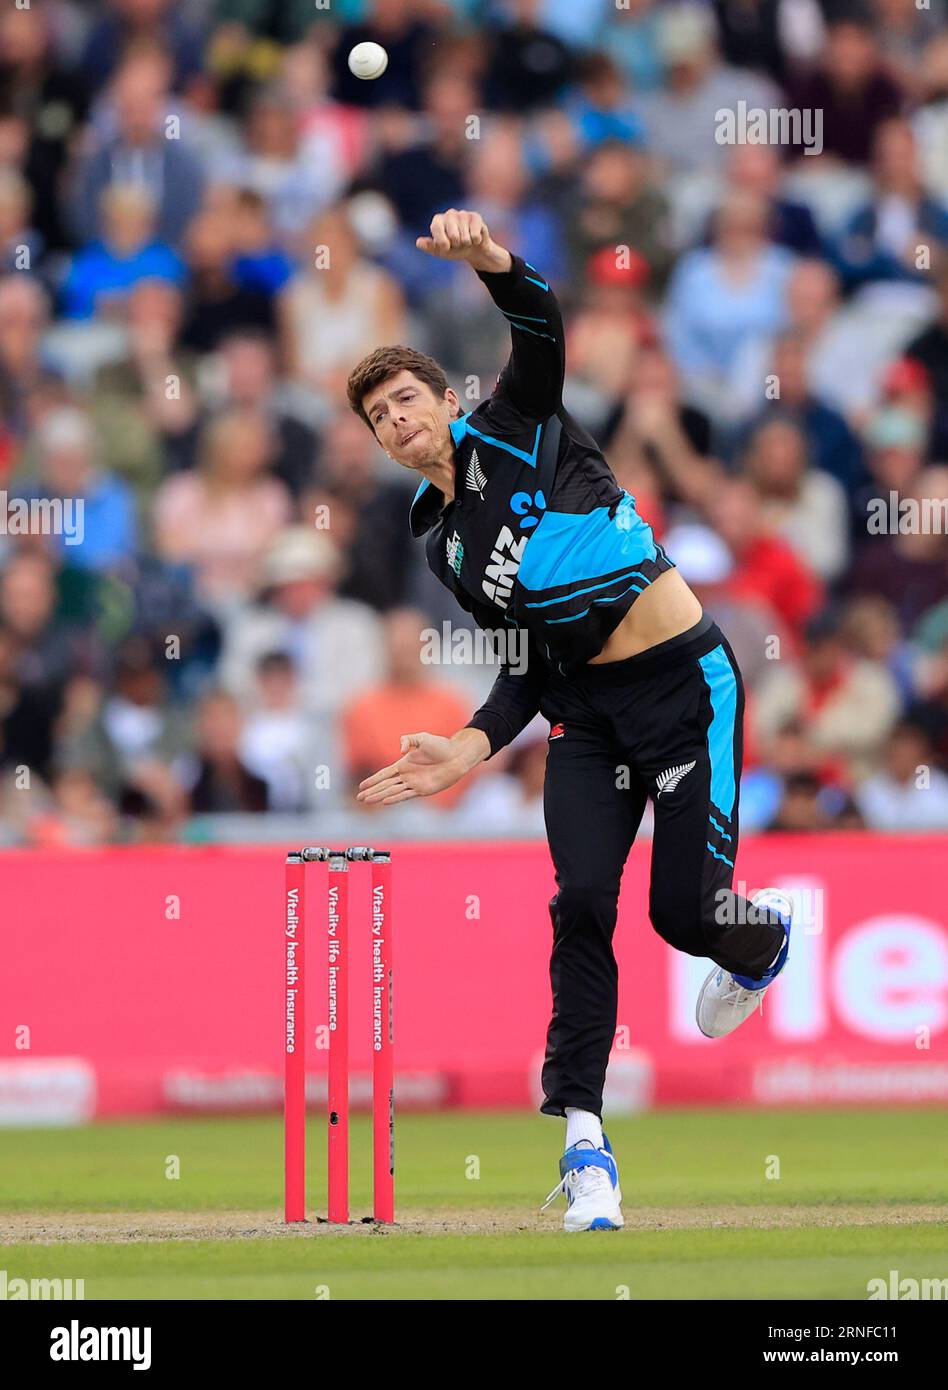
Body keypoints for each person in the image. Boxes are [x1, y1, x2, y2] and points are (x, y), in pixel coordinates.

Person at [347, 208, 792, 1234]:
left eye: (407, 398)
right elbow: (529, 664)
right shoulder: (444, 549)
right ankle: (585, 1147)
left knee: (684, 915)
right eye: (379, 418)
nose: (398, 421)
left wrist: (490, 260)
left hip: (684, 688)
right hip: (586, 714)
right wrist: (469, 743)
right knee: (582, 901)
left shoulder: (516, 421)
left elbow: (539, 323)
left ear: (445, 400)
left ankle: (761, 944)